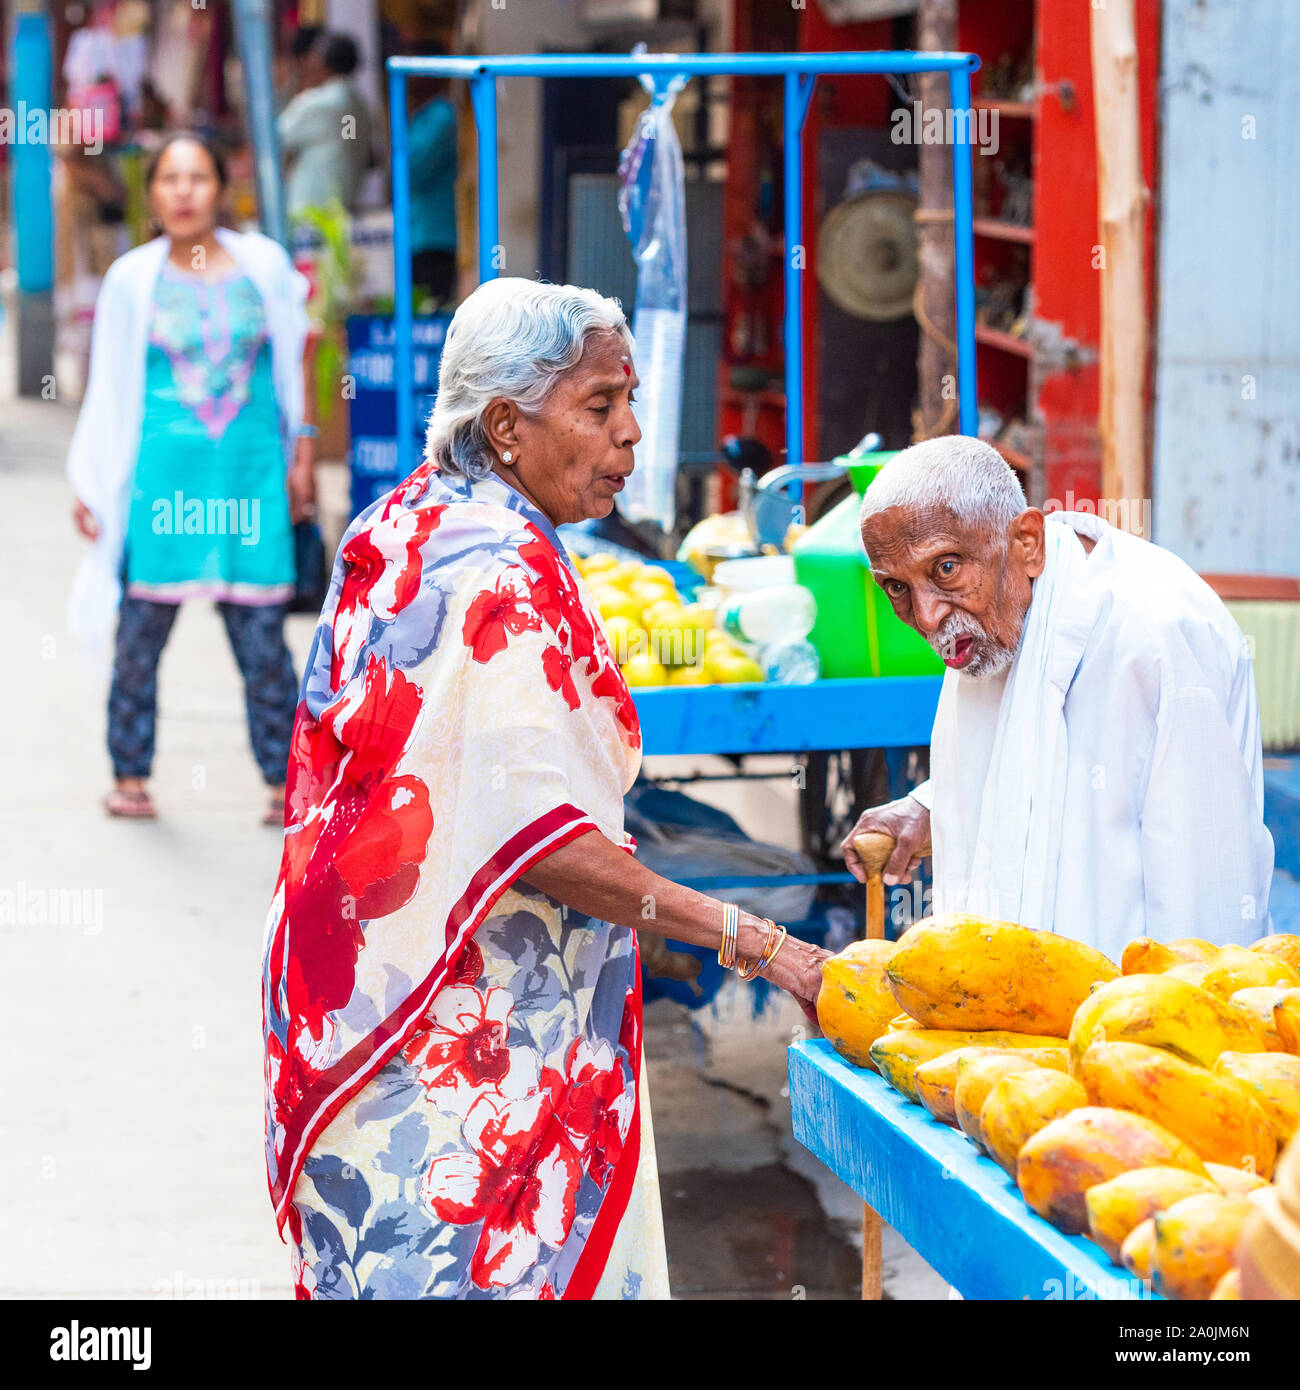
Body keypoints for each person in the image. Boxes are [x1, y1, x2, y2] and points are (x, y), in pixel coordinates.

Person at [262, 278, 829, 1300]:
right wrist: (759, 941)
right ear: (505, 427)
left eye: (631, 403)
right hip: (437, 1016)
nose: (631, 435)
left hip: (350, 982)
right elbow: (544, 843)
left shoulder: (408, 516)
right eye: (600, 406)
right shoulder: (504, 570)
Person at [839, 435, 1275, 959]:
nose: (926, 616)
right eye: (896, 588)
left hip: (1132, 1027)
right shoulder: (998, 607)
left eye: (945, 568)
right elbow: (1038, 750)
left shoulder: (1155, 635)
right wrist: (932, 805)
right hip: (1015, 1019)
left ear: (1028, 541)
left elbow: (1211, 903)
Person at [67, 132, 315, 824]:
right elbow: (108, 388)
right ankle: (130, 774)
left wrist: (303, 455)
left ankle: (285, 782)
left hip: (249, 483)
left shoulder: (264, 267)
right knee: (139, 639)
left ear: (221, 187)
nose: (182, 192)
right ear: (151, 194)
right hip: (161, 488)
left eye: (197, 178)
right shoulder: (131, 280)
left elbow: (292, 364)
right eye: (169, 179)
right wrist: (93, 482)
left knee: (263, 644)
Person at [277, 31, 374, 218]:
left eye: (314, 56)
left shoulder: (316, 103)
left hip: (310, 211)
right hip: (345, 207)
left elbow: (275, 138)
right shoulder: (360, 104)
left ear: (324, 63)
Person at [407, 58, 459, 306]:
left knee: (432, 305)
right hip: (419, 232)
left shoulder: (441, 116)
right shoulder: (423, 115)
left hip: (436, 234)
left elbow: (413, 170)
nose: (410, 80)